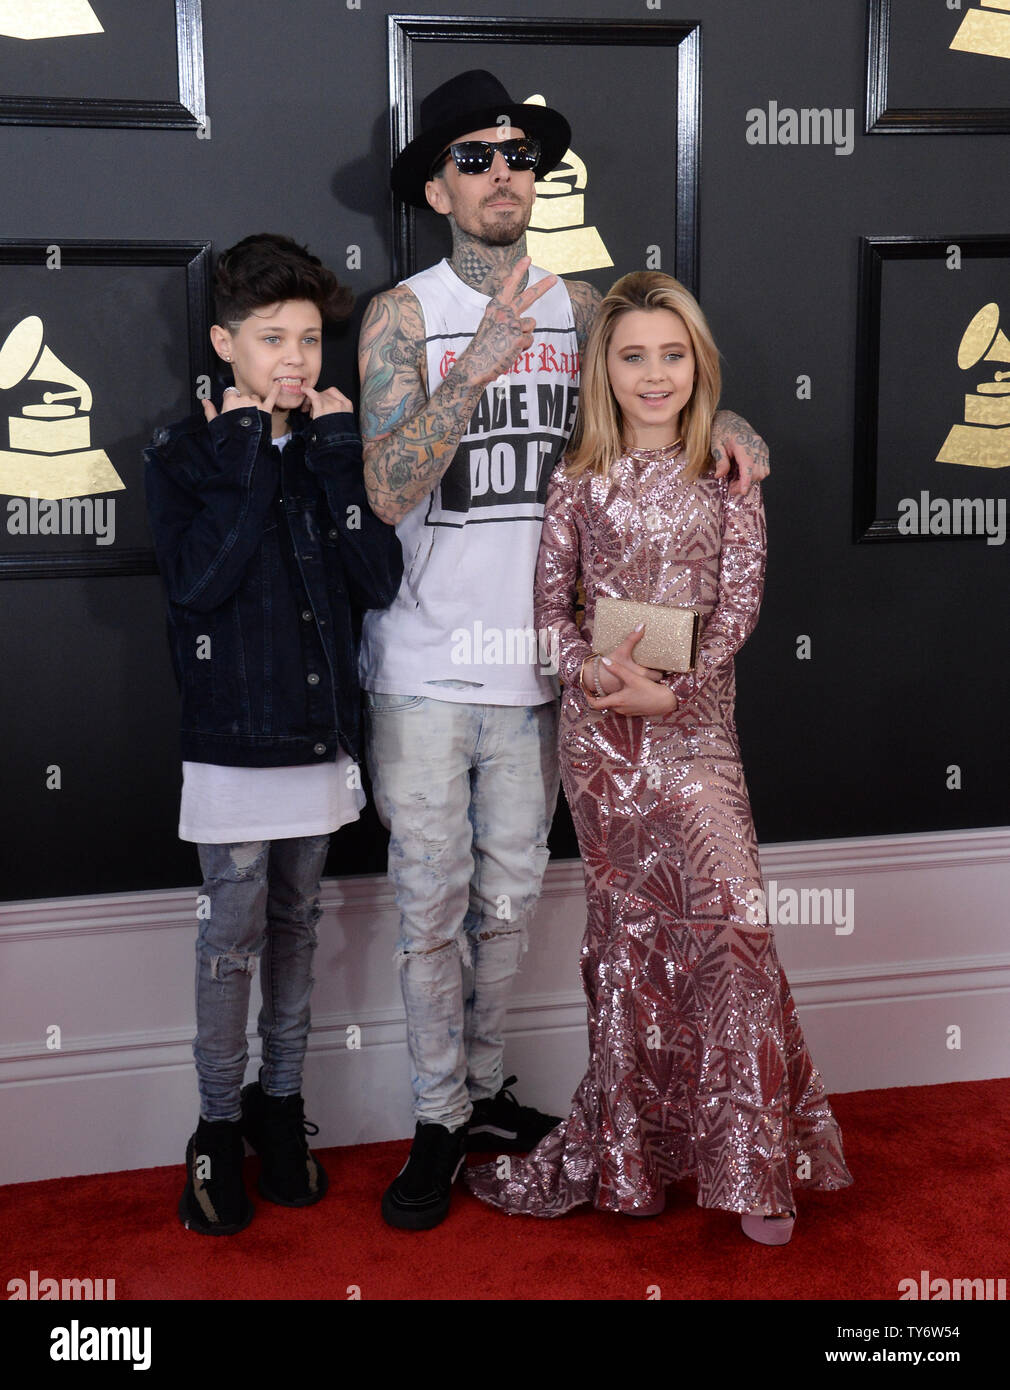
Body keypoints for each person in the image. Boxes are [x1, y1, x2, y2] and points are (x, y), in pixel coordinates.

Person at [357, 69, 770, 1231]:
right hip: (428, 668)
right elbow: (387, 493)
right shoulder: (401, 312)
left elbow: (670, 389)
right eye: (476, 159)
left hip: (554, 677)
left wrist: (733, 428)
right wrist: (474, 368)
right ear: (438, 184)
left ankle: (485, 1095)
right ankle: (436, 1119)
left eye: (518, 156)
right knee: (429, 903)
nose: (503, 175)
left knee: (507, 905)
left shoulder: (582, 306)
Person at [465, 271, 853, 1243]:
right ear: (604, 366)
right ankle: (631, 1158)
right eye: (632, 354)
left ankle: (753, 1164)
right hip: (603, 746)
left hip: (694, 729)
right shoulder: (575, 479)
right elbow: (548, 616)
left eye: (670, 354)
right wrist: (591, 673)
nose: (652, 374)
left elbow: (737, 606)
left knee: (733, 929)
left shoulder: (726, 468)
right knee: (630, 944)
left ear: (696, 362)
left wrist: (672, 691)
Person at [144, 233, 403, 1235]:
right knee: (231, 937)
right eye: (269, 339)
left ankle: (280, 1105)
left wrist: (336, 456)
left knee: (297, 925)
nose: (293, 360)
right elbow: (200, 585)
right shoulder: (184, 455)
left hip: (316, 738)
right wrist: (249, 446)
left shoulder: (332, 447)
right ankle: (216, 1124)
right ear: (225, 344)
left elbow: (376, 583)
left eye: (306, 340)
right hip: (229, 745)